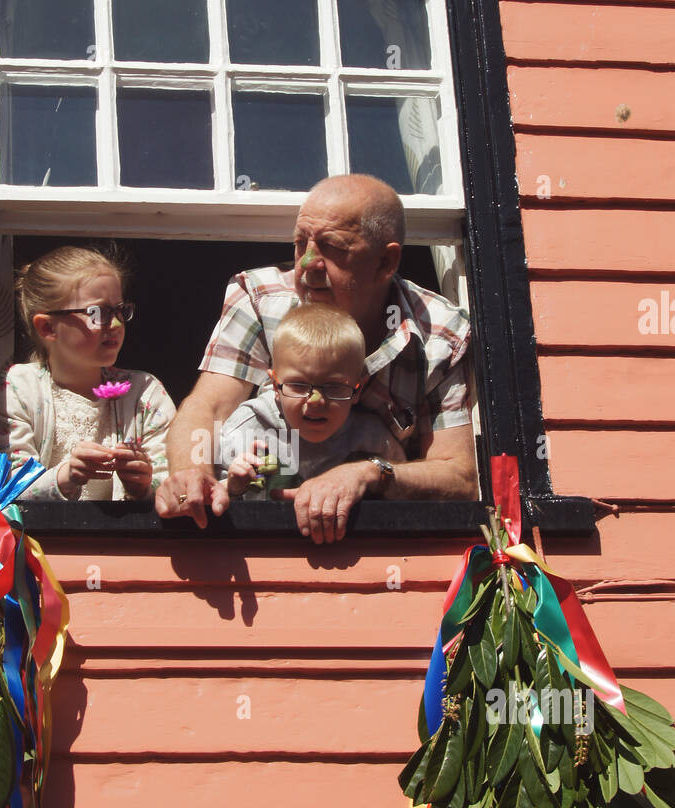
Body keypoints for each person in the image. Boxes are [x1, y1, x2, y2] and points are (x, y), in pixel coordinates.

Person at [155, 174, 477, 543]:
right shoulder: (261, 298)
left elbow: (461, 478)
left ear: (386, 262)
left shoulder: (441, 332)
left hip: (380, 552)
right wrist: (193, 474)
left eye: (331, 247)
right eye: (299, 243)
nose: (307, 263)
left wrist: (367, 474)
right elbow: (209, 409)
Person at [0, 245, 175, 501]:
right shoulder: (17, 388)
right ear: (47, 328)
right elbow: (9, 488)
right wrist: (68, 475)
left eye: (120, 310)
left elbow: (175, 483)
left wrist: (143, 485)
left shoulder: (144, 392)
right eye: (98, 313)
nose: (117, 324)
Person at [219, 304, 405, 496]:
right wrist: (232, 486)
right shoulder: (250, 427)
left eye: (334, 387)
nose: (315, 401)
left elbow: (405, 498)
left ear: (357, 390)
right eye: (299, 385)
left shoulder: (374, 441)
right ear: (275, 386)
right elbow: (207, 495)